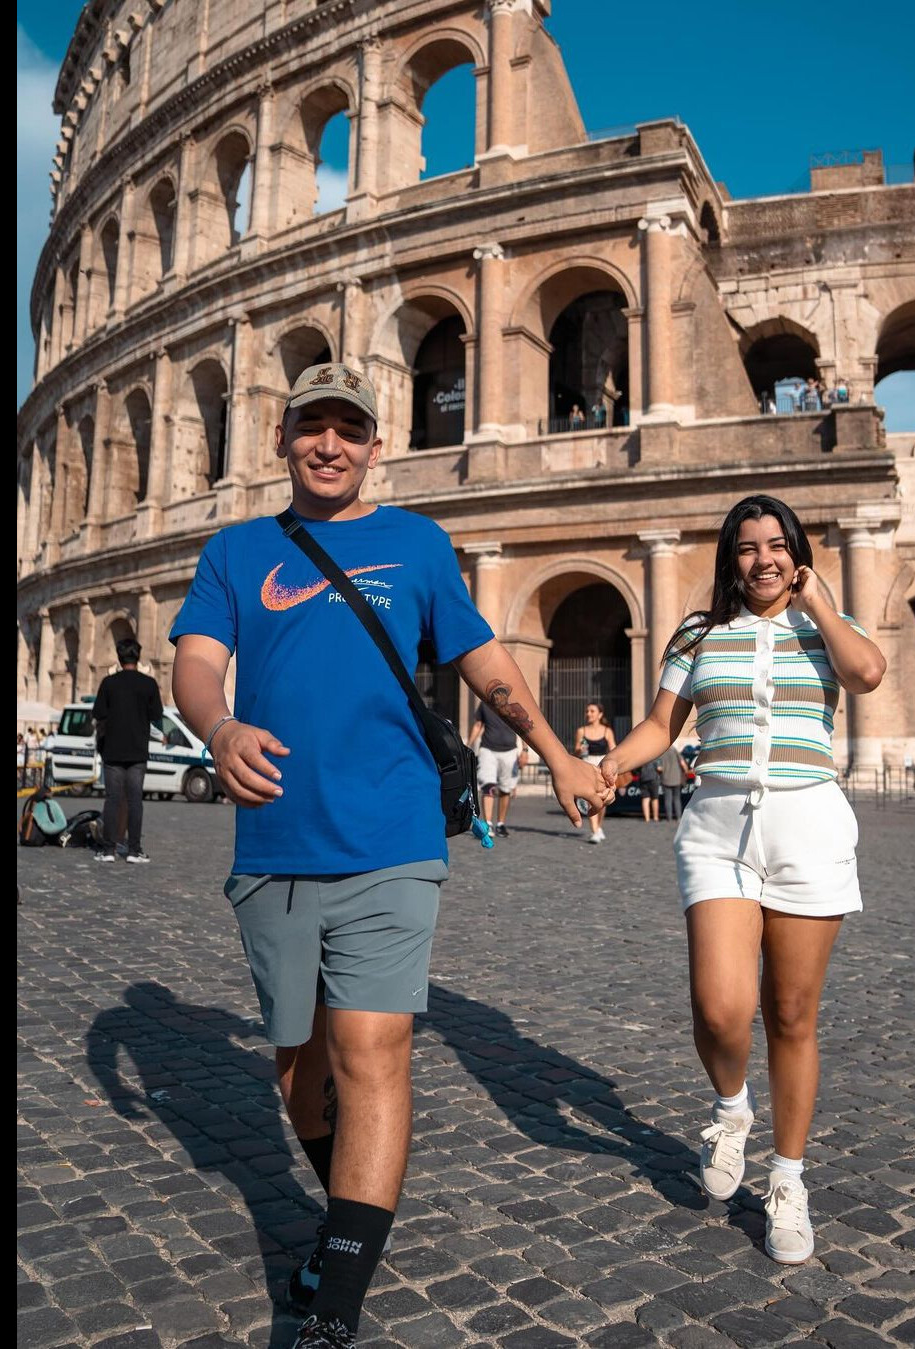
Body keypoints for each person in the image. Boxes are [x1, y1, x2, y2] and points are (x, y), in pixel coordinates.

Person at [169, 362, 608, 1349]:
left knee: (375, 1047)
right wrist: (219, 726)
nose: (331, 443)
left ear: (376, 445)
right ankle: (350, 1214)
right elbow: (194, 661)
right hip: (276, 835)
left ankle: (336, 1303)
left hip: (392, 834)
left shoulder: (415, 543)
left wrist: (554, 755)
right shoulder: (239, 551)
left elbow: (487, 665)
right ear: (282, 438)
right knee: (298, 1071)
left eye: (350, 428)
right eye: (312, 426)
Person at [600, 494, 886, 1265]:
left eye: (777, 545)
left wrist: (819, 598)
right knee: (720, 1007)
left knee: (791, 1013)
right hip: (719, 825)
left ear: (797, 552)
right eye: (748, 547)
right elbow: (663, 725)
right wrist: (611, 763)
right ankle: (732, 1110)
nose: (763, 559)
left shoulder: (827, 629)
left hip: (809, 823)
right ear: (730, 559)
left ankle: (788, 1179)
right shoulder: (699, 632)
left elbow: (867, 672)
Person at [91, 637, 163, 864]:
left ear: (119, 657)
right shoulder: (149, 684)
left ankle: (109, 850)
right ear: (138, 657)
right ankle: (134, 850)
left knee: (112, 800)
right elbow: (157, 715)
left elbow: (98, 713)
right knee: (135, 800)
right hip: (137, 751)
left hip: (112, 751)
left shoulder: (108, 683)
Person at [468, 696, 529, 837]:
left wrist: (525, 751)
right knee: (487, 786)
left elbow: (521, 728)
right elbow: (478, 725)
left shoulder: (514, 705)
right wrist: (468, 746)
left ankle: (500, 824)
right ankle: (488, 824)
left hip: (510, 751)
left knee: (505, 789)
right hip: (488, 750)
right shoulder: (484, 705)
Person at [574, 701, 616, 844]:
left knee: (602, 801)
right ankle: (594, 831)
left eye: (592, 711)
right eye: (587, 711)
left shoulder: (607, 731)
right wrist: (580, 749)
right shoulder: (581, 731)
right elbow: (576, 750)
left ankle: (598, 827)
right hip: (587, 765)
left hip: (601, 766)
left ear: (600, 714)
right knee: (590, 799)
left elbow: (613, 749)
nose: (588, 714)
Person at [657, 742, 688, 822]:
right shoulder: (674, 750)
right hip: (677, 778)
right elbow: (682, 763)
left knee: (668, 799)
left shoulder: (661, 753)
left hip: (666, 778)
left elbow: (659, 768)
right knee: (677, 799)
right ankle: (678, 817)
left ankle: (669, 818)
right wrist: (686, 771)